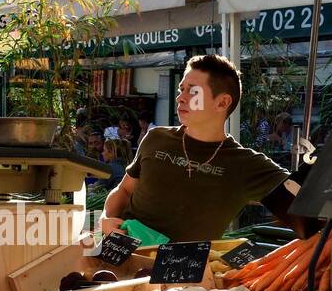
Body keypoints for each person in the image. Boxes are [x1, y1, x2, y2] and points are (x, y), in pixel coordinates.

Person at [98, 54, 308, 243]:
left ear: (222, 103)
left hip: (184, 279)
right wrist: (106, 220)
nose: (181, 97)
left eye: (193, 91)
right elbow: (124, 189)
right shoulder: (156, 138)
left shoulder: (244, 164)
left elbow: (308, 207)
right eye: (182, 89)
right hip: (122, 260)